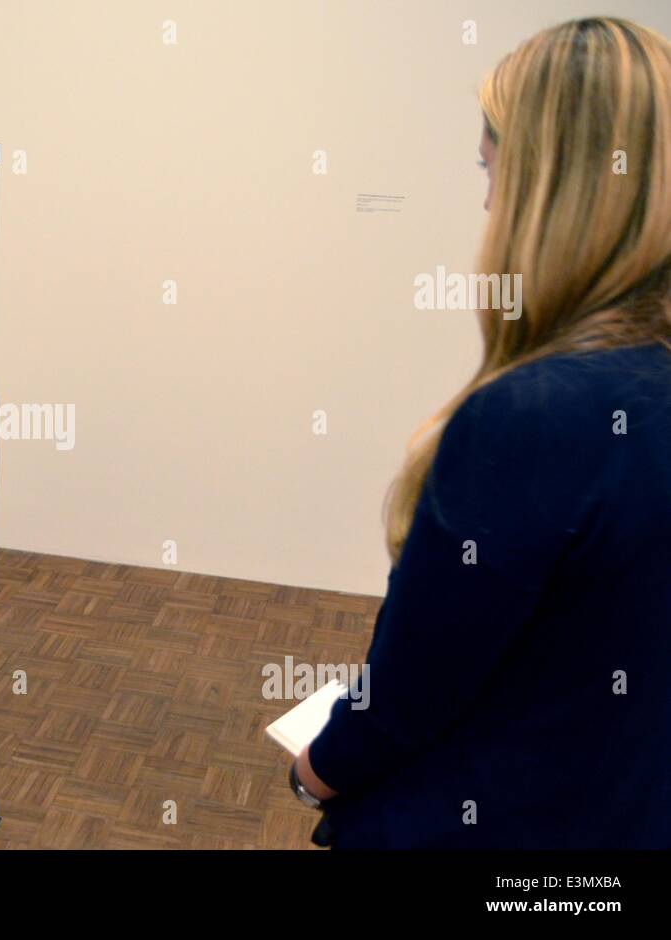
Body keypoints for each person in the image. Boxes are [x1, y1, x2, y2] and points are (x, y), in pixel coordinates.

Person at [290, 16, 671, 848]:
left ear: (548, 186)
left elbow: (407, 696)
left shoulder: (531, 417)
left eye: (492, 167)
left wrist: (313, 770)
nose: (489, 197)